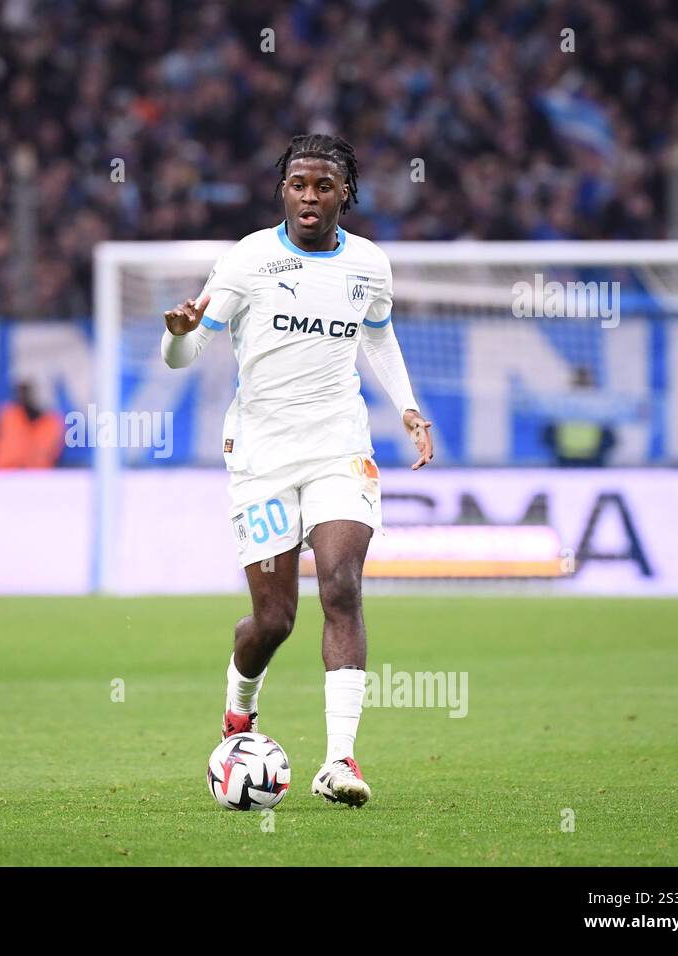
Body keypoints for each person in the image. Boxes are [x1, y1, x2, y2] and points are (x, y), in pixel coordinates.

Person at [160, 134, 434, 809]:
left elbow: (377, 332)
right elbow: (186, 352)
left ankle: (339, 759)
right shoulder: (250, 259)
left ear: (346, 194)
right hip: (261, 457)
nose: (309, 196)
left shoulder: (370, 265)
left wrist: (407, 406)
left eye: (323, 185)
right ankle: (238, 714)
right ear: (282, 189)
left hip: (339, 445)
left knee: (341, 584)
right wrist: (175, 332)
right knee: (274, 620)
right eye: (298, 184)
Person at [0, 381, 64, 469]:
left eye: (27, 390)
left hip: (38, 477)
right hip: (4, 474)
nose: (23, 396)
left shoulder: (53, 422)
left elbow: (55, 455)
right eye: (20, 391)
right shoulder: (7, 414)